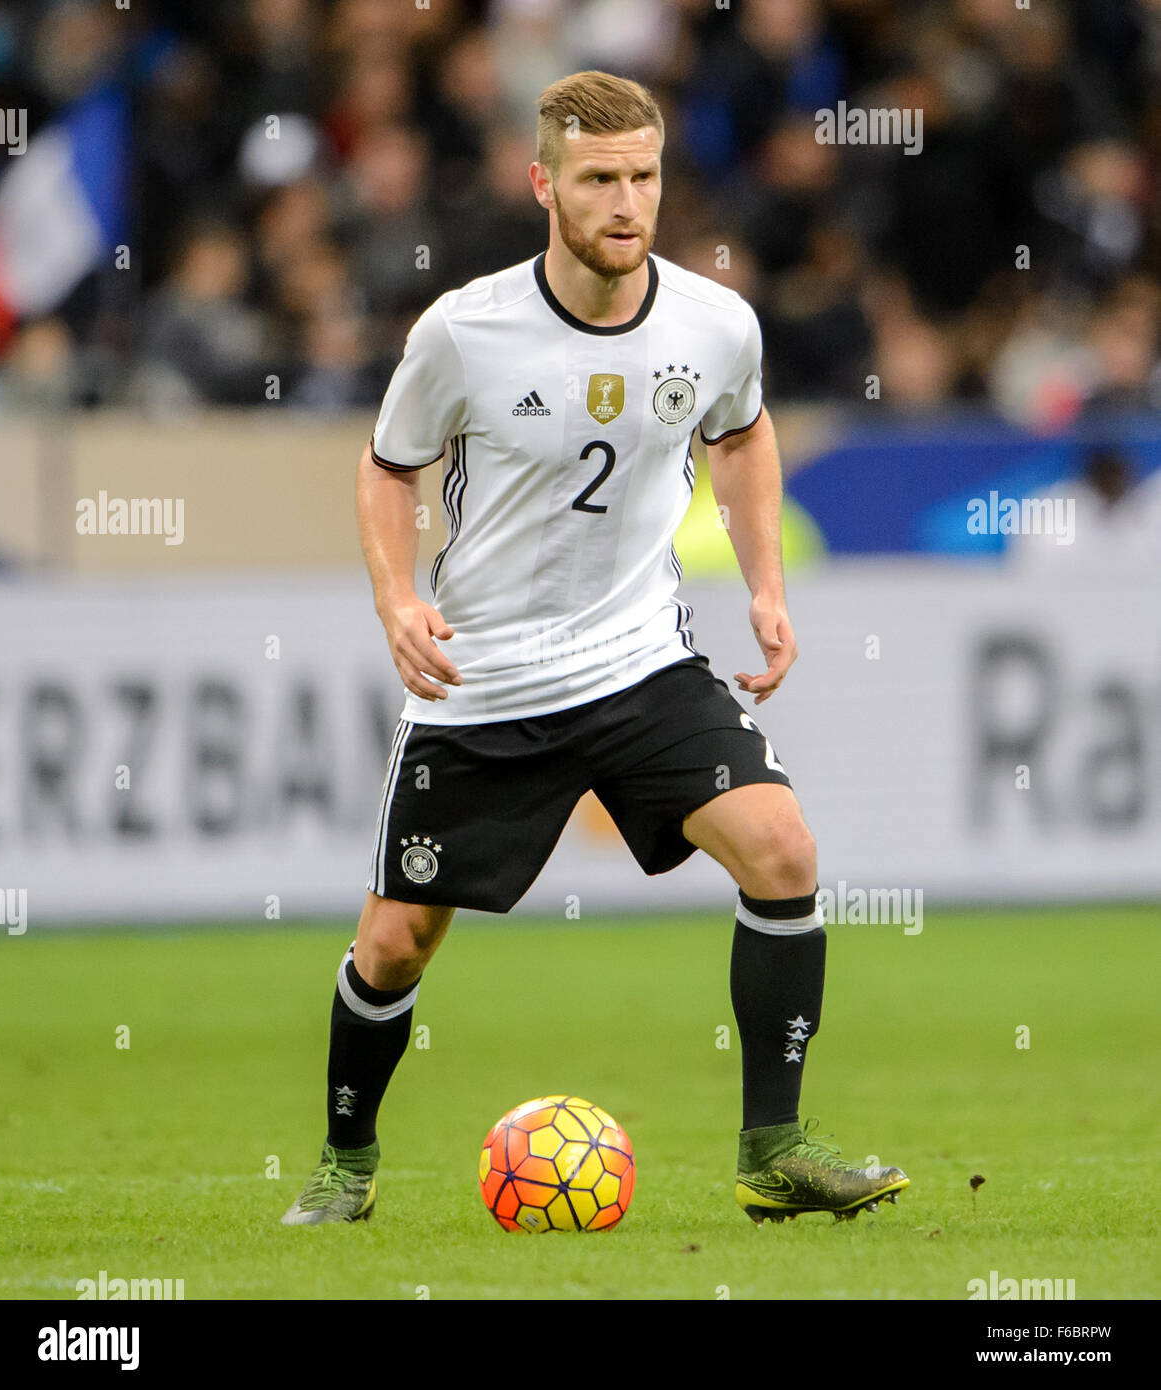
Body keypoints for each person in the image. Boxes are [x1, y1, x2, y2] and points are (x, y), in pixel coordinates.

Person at [282, 70, 907, 1228]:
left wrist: (766, 583)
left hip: (638, 663)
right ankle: (345, 1164)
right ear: (543, 185)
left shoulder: (714, 322)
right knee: (396, 942)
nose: (628, 202)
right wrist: (395, 598)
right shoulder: (464, 331)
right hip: (487, 682)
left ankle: (774, 1149)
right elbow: (386, 464)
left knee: (780, 849)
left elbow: (746, 431)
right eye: (599, 180)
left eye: (644, 177)